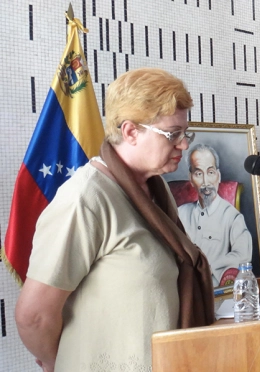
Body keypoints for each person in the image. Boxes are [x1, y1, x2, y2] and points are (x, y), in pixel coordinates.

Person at [15, 68, 214, 372]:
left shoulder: (157, 192)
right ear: (130, 131)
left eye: (185, 133)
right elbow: (34, 316)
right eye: (173, 134)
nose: (184, 145)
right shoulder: (85, 198)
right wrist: (66, 362)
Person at [178, 143, 253, 287]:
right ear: (191, 179)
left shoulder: (232, 217)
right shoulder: (181, 213)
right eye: (199, 174)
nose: (206, 182)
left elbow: (243, 255)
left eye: (210, 172)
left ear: (218, 176)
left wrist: (208, 266)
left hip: (214, 291)